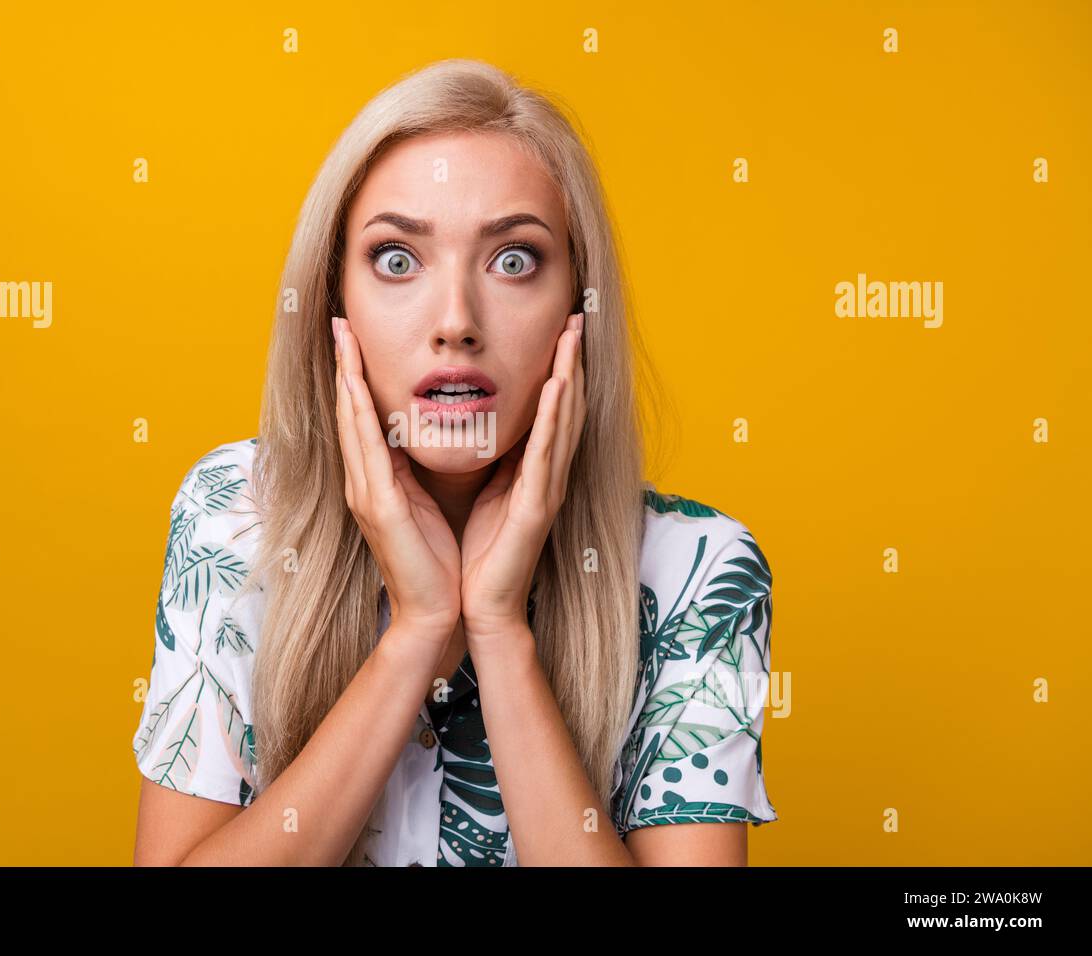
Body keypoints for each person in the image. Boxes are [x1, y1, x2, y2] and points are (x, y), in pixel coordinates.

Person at [132, 58, 777, 866]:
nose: (456, 322)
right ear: (334, 307)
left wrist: (500, 632)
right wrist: (417, 634)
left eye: (514, 261)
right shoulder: (236, 513)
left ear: (581, 307)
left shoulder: (696, 570)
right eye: (398, 259)